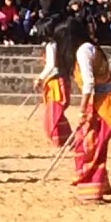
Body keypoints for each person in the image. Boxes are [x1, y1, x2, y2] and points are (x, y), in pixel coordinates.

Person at [59, 15, 111, 204]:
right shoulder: (90, 48)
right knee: (93, 145)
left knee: (91, 146)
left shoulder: (83, 51)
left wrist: (82, 110)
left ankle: (92, 189)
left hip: (100, 103)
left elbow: (89, 83)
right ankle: (94, 186)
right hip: (102, 100)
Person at [32, 17, 72, 147]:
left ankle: (60, 138)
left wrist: (40, 78)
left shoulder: (51, 46)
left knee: (54, 111)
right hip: (63, 79)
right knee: (57, 111)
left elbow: (51, 66)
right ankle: (65, 138)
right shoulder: (62, 44)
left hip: (55, 81)